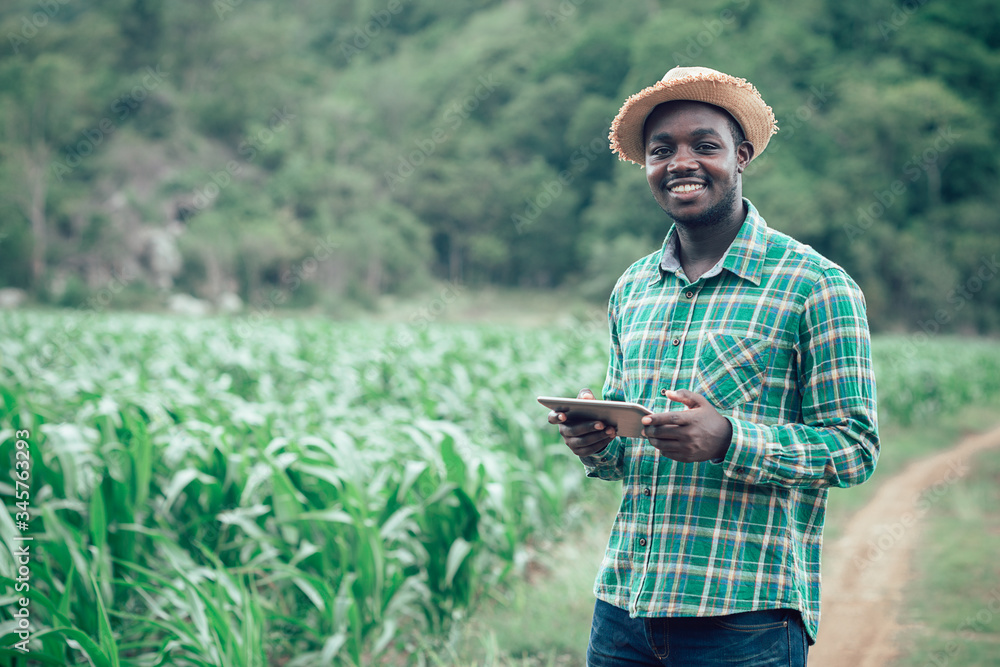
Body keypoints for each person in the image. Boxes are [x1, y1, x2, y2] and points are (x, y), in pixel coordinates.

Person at [547, 66, 879, 666]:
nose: (681, 163)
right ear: (646, 167)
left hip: (744, 620)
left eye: (705, 145)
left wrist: (730, 438)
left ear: (741, 156)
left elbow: (854, 449)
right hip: (625, 610)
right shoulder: (634, 288)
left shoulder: (815, 285)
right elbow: (628, 456)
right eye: (661, 150)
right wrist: (594, 441)